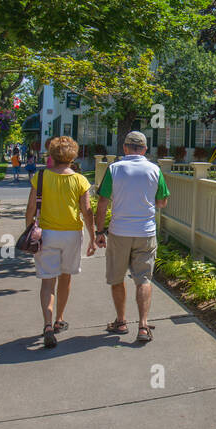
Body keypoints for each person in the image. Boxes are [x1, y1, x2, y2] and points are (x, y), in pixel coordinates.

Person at [92, 130, 169, 343]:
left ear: (125, 148)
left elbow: (102, 203)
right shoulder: (155, 170)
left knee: (117, 278)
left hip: (119, 232)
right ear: (144, 149)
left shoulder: (114, 169)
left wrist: (99, 232)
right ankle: (143, 326)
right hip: (145, 232)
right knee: (143, 279)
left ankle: (121, 321)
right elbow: (162, 202)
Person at [25, 135, 95, 348]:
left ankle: (47, 324)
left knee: (48, 281)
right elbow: (87, 212)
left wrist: (29, 230)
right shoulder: (80, 180)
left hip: (46, 234)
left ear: (52, 155)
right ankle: (59, 319)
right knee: (65, 277)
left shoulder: (41, 177)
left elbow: (30, 209)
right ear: (73, 156)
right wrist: (93, 236)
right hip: (71, 234)